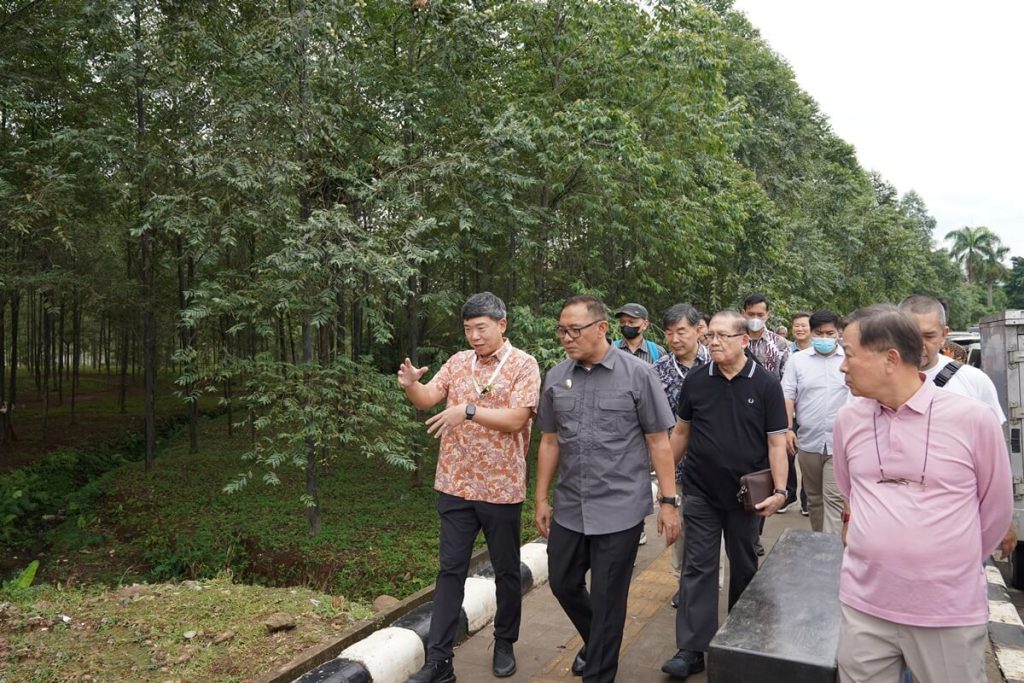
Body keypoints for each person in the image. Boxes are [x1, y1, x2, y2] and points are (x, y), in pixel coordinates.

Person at [833, 305, 1012, 683]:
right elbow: (853, 494)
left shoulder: (973, 420)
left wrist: (943, 562)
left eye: (848, 354)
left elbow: (995, 510)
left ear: (890, 359)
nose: (842, 366)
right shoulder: (848, 420)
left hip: (946, 612)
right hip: (865, 606)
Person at [535, 295, 681, 683]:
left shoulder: (638, 375)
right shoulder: (555, 376)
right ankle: (598, 640)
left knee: (607, 599)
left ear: (602, 328)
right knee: (563, 582)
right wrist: (540, 498)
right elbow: (549, 441)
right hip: (569, 505)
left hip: (620, 508)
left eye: (575, 330)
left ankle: (599, 671)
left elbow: (659, 442)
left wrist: (669, 502)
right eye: (561, 330)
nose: (566, 337)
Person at [398, 292, 541, 683]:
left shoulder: (523, 365)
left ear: (502, 324)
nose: (474, 336)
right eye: (468, 329)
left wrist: (470, 410)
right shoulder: (459, 362)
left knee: (507, 571)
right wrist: (412, 385)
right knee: (450, 571)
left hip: (500, 488)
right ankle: (439, 662)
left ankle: (505, 641)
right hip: (455, 484)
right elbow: (429, 399)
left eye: (481, 328)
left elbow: (517, 419)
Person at [661, 310, 789, 680]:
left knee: (744, 563)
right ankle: (692, 648)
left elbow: (776, 442)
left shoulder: (764, 384)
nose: (713, 342)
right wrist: (666, 487)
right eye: (709, 336)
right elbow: (681, 434)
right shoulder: (698, 380)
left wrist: (780, 490)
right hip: (700, 490)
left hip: (745, 495)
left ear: (743, 341)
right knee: (698, 567)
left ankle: (741, 639)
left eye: (721, 336)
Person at [898, 294, 1016, 558]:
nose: (919, 345)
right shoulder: (878, 382)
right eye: (910, 335)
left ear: (944, 334)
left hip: (961, 527)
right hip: (898, 526)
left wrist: (1004, 517)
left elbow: (995, 458)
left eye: (928, 336)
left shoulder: (973, 381)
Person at [652, 304, 710, 606]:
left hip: (714, 464)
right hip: (676, 467)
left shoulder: (717, 362)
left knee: (710, 532)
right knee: (681, 530)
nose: (674, 338)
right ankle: (684, 583)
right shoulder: (658, 372)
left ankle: (708, 586)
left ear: (698, 330)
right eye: (669, 333)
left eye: (681, 331)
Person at [780, 309, 848, 533]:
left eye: (830, 333)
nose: (825, 338)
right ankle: (818, 543)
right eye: (819, 333)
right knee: (814, 498)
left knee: (834, 499)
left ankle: (830, 555)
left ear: (838, 333)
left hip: (840, 442)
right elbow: (787, 394)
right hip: (808, 440)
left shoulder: (849, 359)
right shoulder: (798, 361)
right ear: (812, 333)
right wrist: (787, 428)